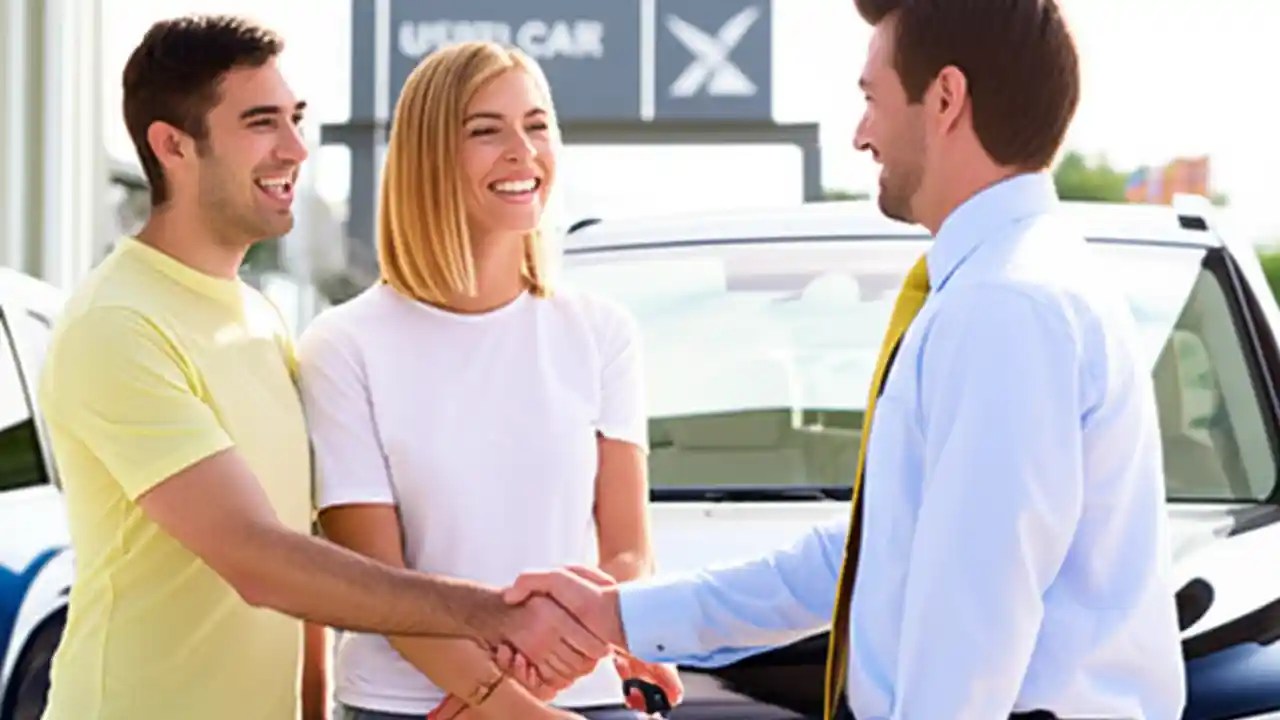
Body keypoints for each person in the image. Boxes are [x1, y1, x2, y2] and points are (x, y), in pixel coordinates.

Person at [503, 1, 1188, 718]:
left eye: (872, 99)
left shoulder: (1005, 307)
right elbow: (870, 552)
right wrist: (621, 616)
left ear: (946, 100)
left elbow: (971, 628)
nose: (862, 135)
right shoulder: (1008, 287)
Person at [37, 16, 608, 720]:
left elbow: (306, 561)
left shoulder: (257, 316)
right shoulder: (118, 324)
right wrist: (493, 614)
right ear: (172, 145)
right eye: (261, 123)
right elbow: (258, 559)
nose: (296, 149)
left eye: (296, 118)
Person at [294, 40, 682, 720]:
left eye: (536, 125)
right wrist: (502, 705)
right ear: (429, 157)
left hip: (583, 701)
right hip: (409, 707)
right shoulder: (343, 346)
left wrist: (525, 692)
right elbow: (380, 586)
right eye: (485, 130)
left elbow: (627, 551)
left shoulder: (602, 332)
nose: (522, 151)